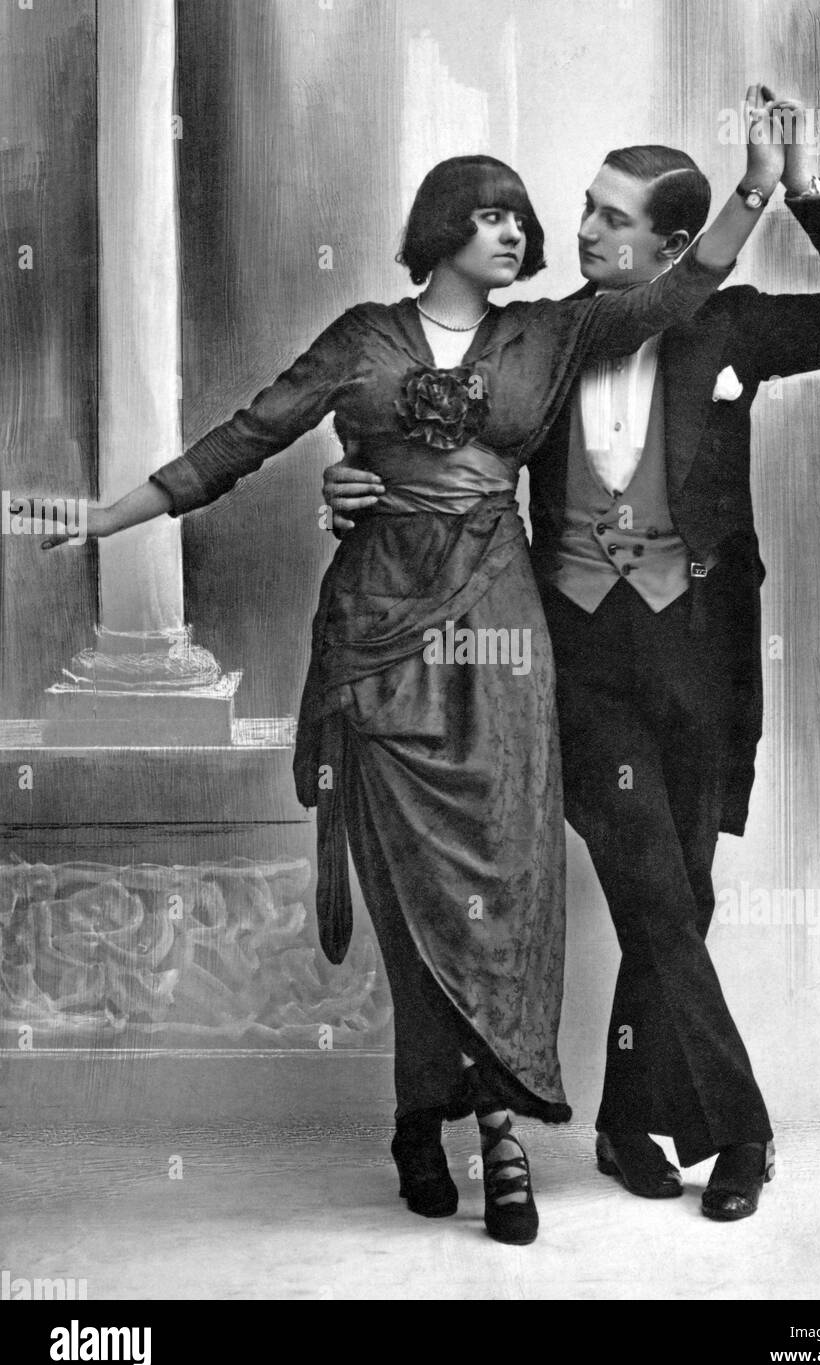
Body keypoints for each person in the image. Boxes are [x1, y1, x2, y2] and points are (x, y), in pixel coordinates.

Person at [33, 99, 782, 1244]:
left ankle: (499, 1136)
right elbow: (240, 441)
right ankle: (416, 1118)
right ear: (440, 230)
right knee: (412, 895)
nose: (520, 237)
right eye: (494, 218)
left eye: (524, 222)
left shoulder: (552, 334)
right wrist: (103, 518)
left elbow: (674, 294)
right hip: (379, 640)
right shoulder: (360, 338)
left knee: (510, 887)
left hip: (509, 645)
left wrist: (753, 189)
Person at [323, 88, 820, 1224]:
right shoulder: (535, 338)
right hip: (576, 659)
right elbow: (414, 418)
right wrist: (345, 485)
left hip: (702, 658)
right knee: (649, 886)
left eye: (609, 217)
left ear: (674, 245)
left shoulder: (730, 327)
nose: (582, 230)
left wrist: (803, 192)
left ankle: (626, 1123)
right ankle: (742, 1131)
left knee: (676, 898)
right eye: (584, 210)